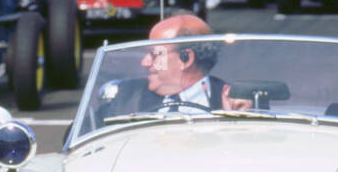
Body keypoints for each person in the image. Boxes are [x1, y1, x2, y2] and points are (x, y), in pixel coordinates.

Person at [100, 14, 239, 117]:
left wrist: (234, 121)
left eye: (155, 54)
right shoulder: (127, 95)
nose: (145, 62)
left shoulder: (234, 99)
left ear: (186, 59)